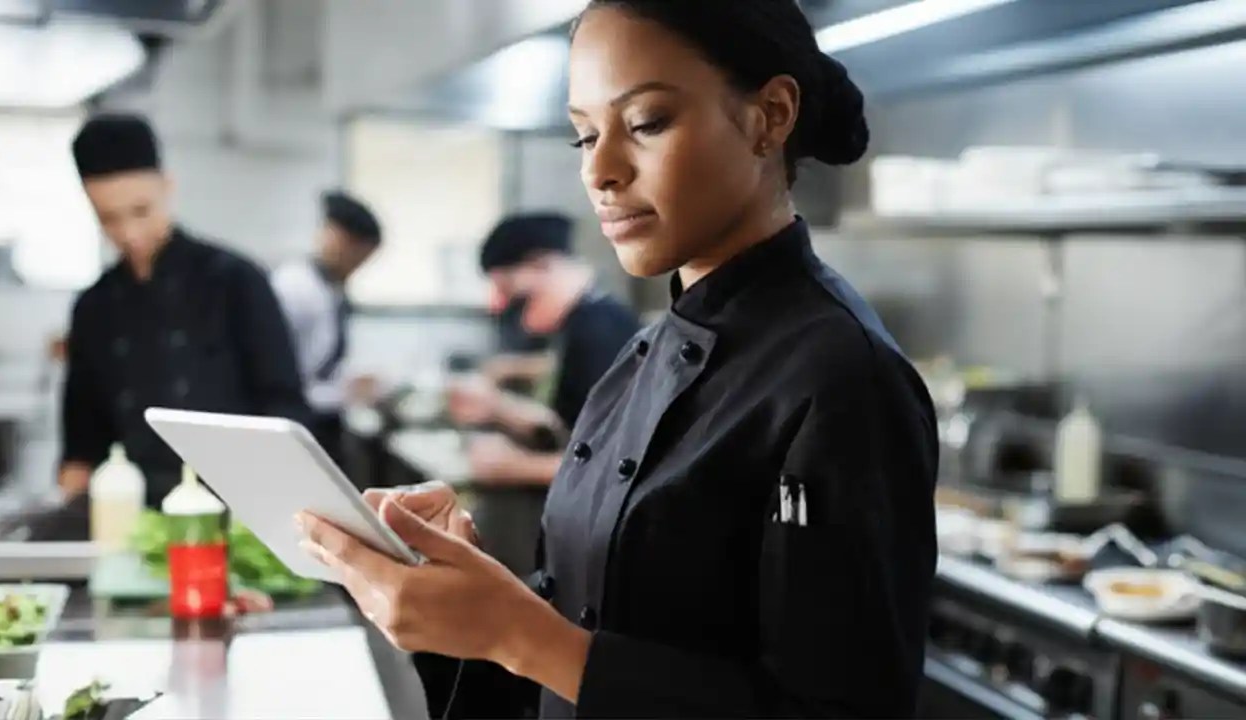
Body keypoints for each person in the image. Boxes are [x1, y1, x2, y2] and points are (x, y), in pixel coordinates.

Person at [298, 1, 938, 718]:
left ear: (769, 116)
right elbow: (583, 635)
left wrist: (519, 632)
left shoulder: (842, 378)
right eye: (583, 137)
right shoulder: (638, 359)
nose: (599, 172)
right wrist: (465, 592)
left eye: (646, 123)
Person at [60, 113, 308, 510]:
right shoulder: (93, 306)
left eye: (141, 211)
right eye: (108, 218)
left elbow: (286, 407)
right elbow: (81, 443)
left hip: (234, 507)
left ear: (167, 187)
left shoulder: (236, 281)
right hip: (134, 515)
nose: (128, 233)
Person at [448, 213, 640, 488]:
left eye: (510, 291)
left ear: (543, 266)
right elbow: (573, 426)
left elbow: (615, 461)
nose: (512, 310)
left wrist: (516, 466)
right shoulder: (581, 322)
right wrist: (500, 408)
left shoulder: (600, 329)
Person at [272, 190, 383, 468]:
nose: (357, 268)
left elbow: (322, 363)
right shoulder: (295, 288)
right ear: (339, 240)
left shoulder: (329, 288)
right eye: (358, 258)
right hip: (300, 422)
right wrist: (345, 393)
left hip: (323, 418)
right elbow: (285, 381)